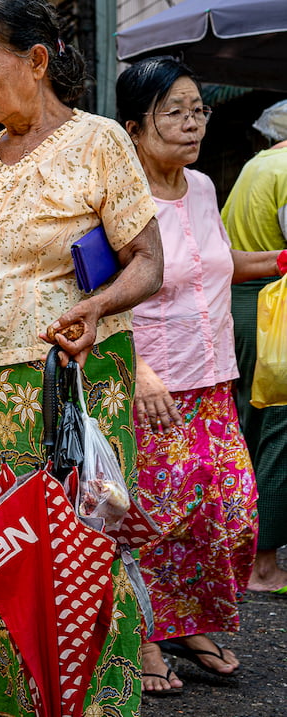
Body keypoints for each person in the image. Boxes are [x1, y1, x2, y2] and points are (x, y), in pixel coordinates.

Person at [0, 0, 164, 714]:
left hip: (71, 386)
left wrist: (97, 305)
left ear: (38, 60)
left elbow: (147, 260)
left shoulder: (99, 142)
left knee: (72, 553)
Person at [117, 56, 286, 695]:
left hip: (213, 378)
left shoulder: (203, 188)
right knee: (154, 520)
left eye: (198, 111)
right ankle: (147, 634)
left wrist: (278, 257)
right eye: (175, 113)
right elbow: (89, 293)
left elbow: (215, 264)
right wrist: (137, 371)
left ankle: (183, 623)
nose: (192, 125)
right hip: (152, 385)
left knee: (230, 512)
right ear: (134, 126)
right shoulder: (118, 199)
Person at [222, 99, 287, 595]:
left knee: (250, 424)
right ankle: (262, 563)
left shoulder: (256, 166)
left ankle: (243, 547)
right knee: (277, 429)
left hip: (241, 305)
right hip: (273, 307)